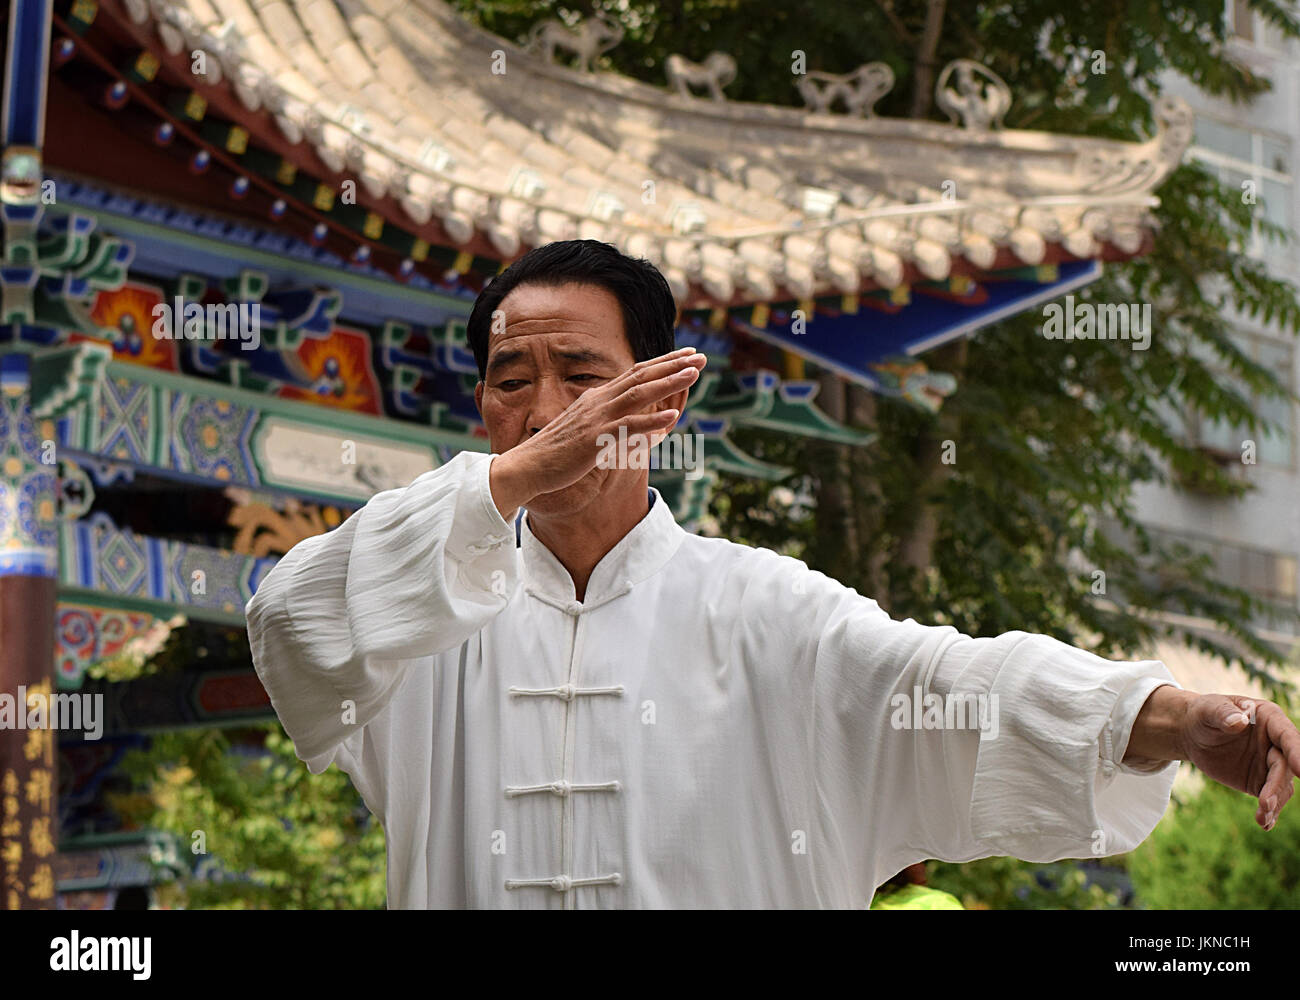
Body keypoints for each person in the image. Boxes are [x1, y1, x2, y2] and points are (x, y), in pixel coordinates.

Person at [245, 239, 1300, 909]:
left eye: (583, 378)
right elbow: (290, 623)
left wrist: (1167, 718)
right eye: (511, 381)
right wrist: (506, 480)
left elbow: (952, 686)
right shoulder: (421, 605)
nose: (546, 407)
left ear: (659, 403)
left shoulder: (767, 610)